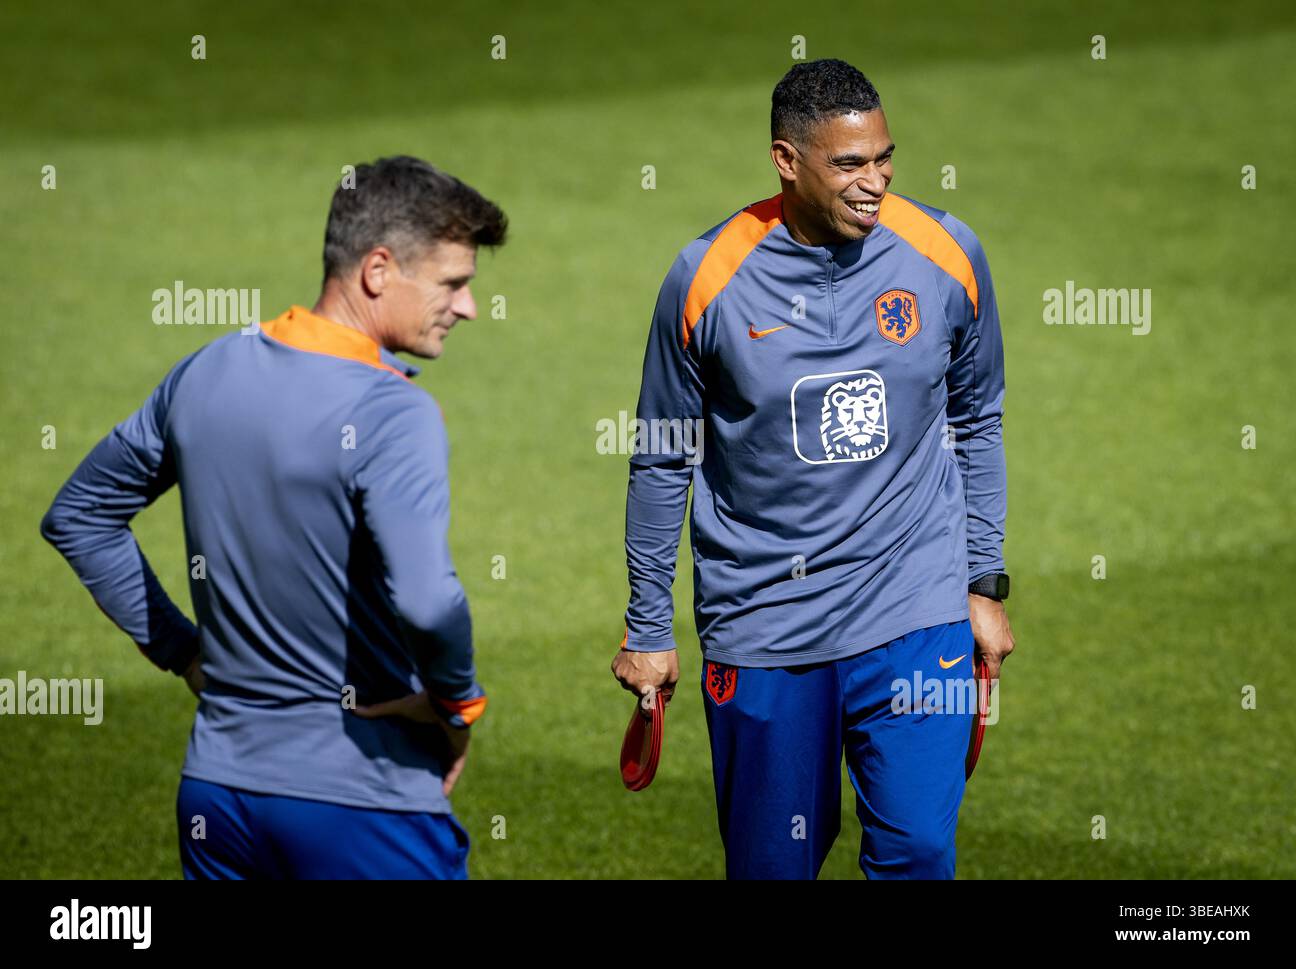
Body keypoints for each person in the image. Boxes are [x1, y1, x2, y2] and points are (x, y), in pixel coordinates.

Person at [41, 155, 507, 879]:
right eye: (453, 283)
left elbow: (80, 515)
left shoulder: (205, 371)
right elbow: (428, 599)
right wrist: (456, 704)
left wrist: (184, 652)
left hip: (218, 796)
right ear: (378, 270)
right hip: (363, 802)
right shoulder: (393, 410)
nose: (469, 307)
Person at [611, 60, 1015, 879]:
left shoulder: (945, 253)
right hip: (766, 626)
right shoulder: (707, 278)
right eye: (850, 164)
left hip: (915, 613)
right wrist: (648, 626)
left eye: (885, 158)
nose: (876, 182)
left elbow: (977, 419)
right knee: (773, 866)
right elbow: (661, 455)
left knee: (919, 850)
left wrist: (983, 582)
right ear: (786, 161)